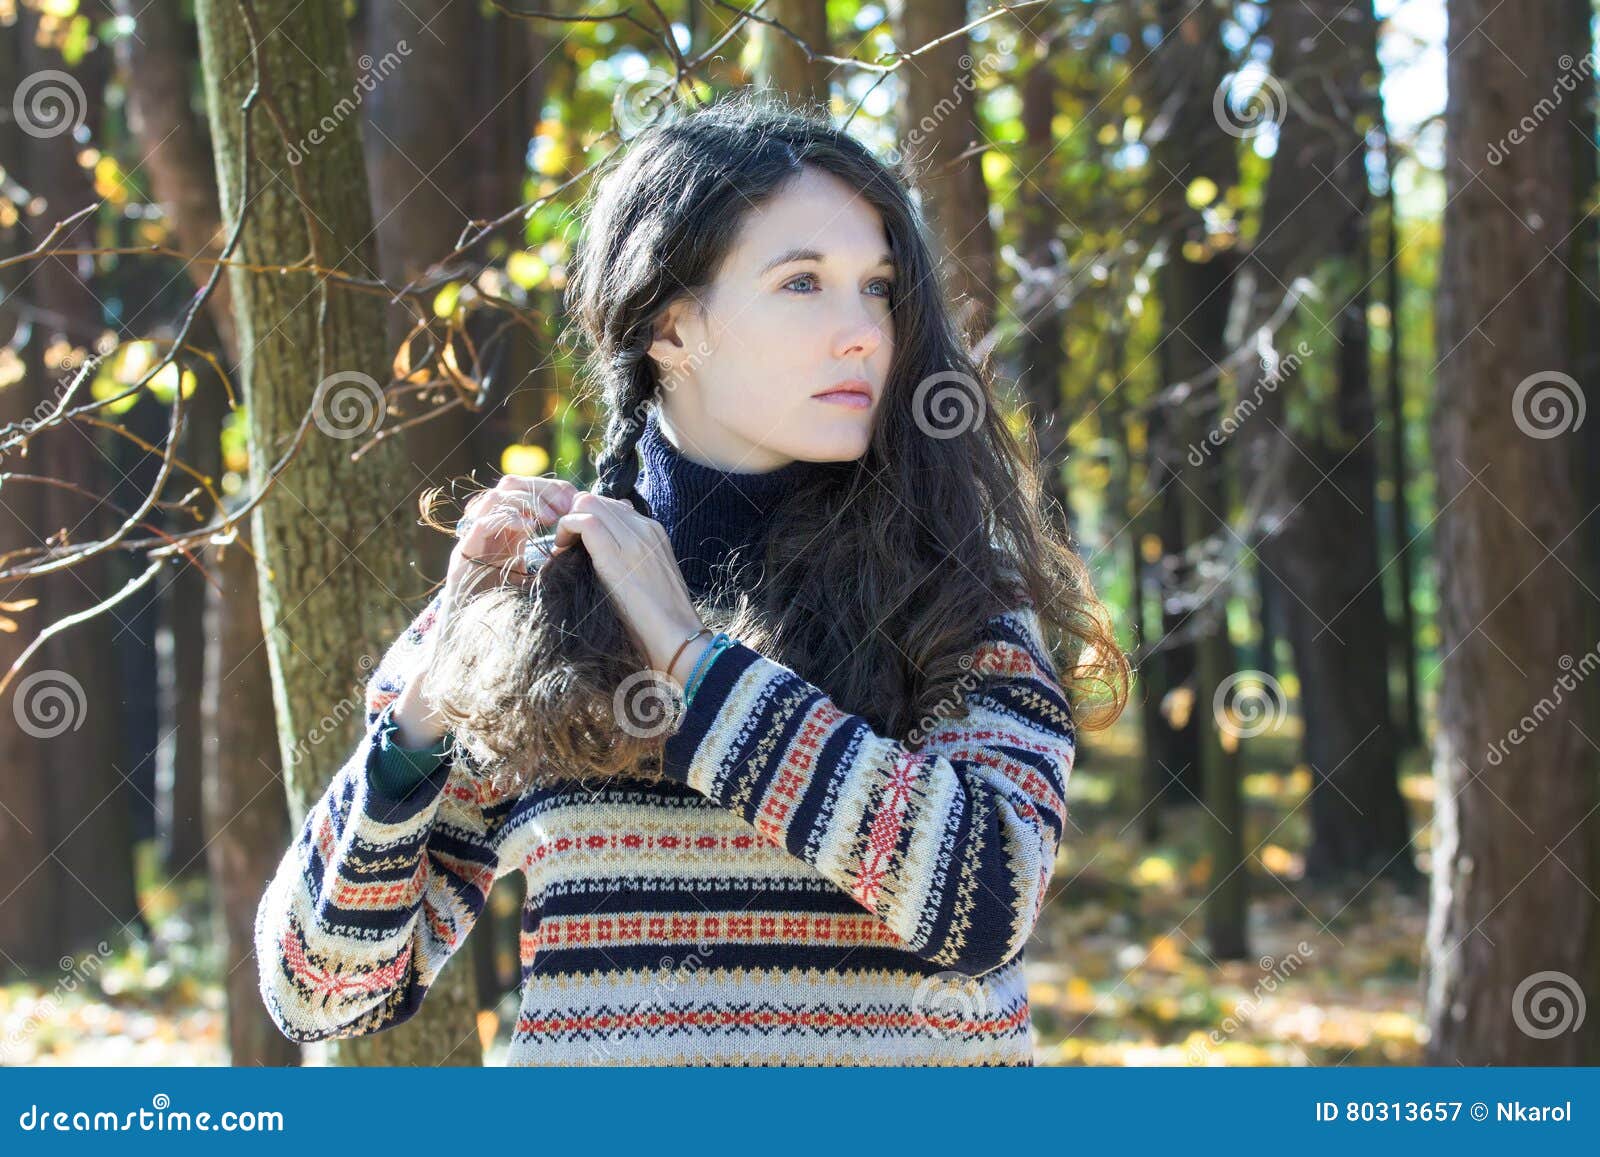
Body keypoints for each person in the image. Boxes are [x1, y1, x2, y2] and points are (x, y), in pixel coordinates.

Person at [254, 93, 1129, 1066]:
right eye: (803, 283)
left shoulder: (957, 587)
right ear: (669, 324)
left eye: (876, 286)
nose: (862, 333)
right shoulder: (545, 593)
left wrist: (692, 665)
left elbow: (985, 902)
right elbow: (319, 989)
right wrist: (426, 699)